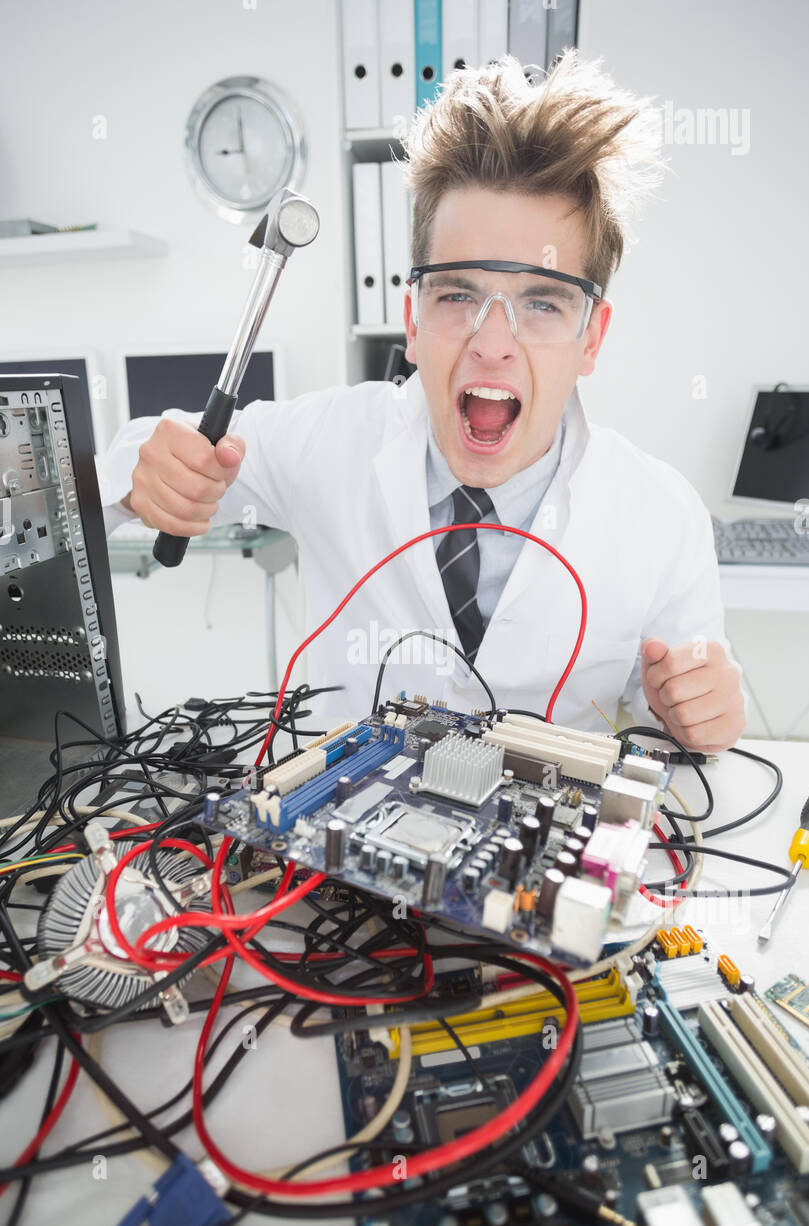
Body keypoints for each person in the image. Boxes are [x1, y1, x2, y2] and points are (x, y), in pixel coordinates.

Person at [100, 52, 745, 753]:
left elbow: (680, 741)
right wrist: (146, 468)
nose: (491, 343)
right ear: (412, 320)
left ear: (592, 339)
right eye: (458, 294)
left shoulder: (663, 515)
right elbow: (147, 448)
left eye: (543, 302)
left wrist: (701, 718)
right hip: (336, 845)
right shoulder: (332, 440)